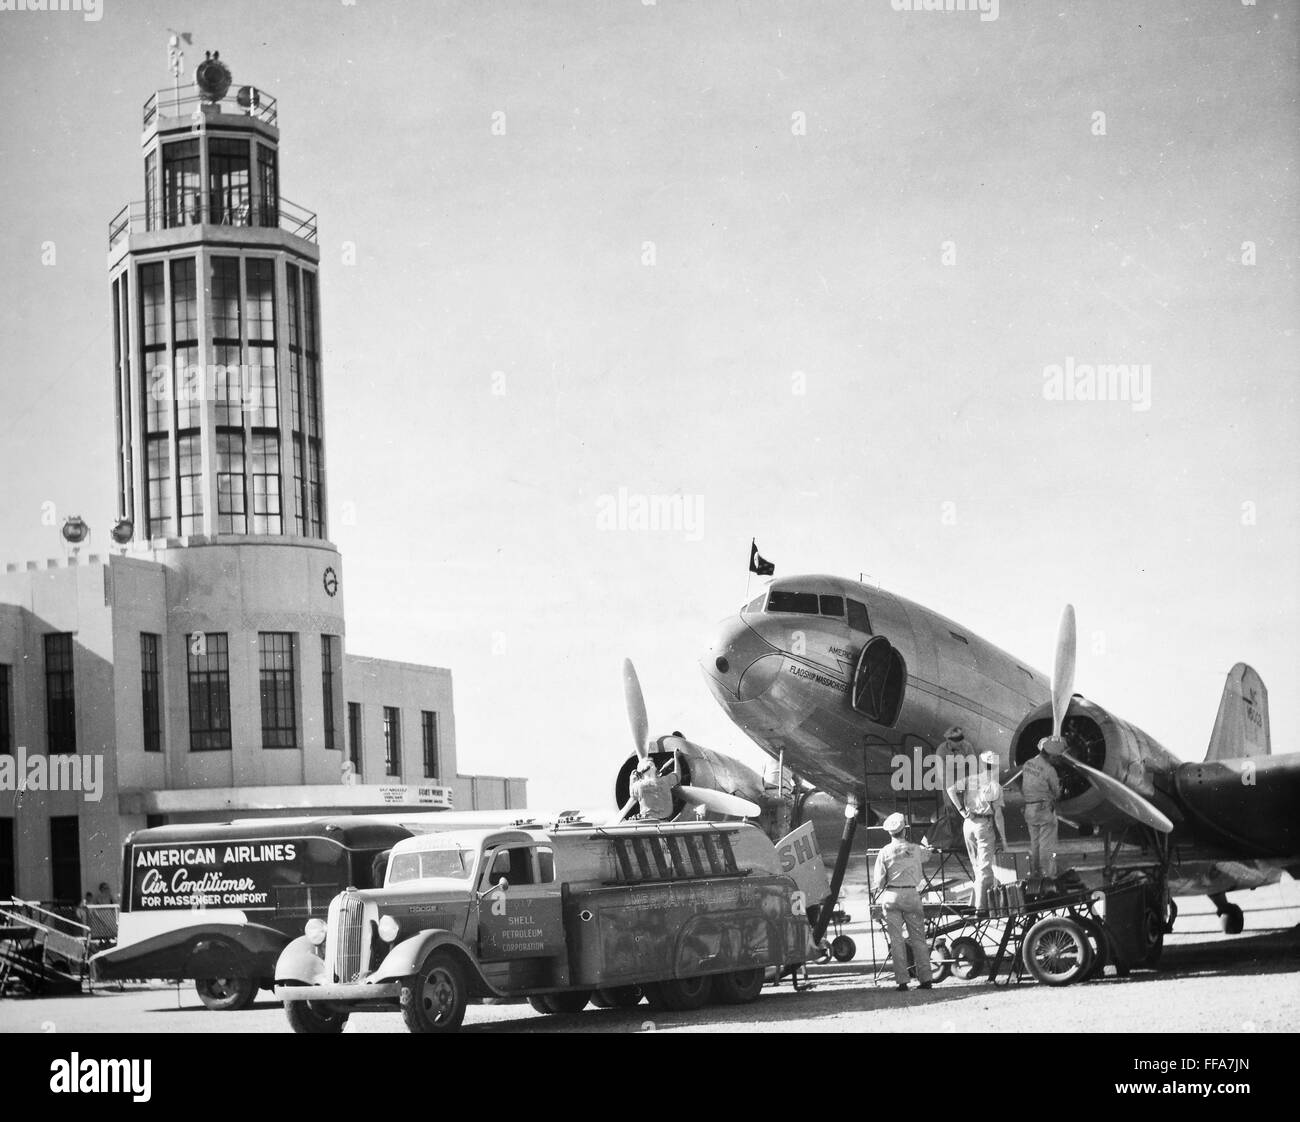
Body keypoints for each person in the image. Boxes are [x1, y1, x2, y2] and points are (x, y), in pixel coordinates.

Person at [873, 813, 934, 991]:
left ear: (890, 833)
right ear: (904, 830)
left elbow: (879, 881)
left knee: (896, 940)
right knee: (919, 940)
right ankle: (926, 979)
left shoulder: (884, 852)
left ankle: (902, 981)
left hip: (892, 895)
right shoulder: (915, 849)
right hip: (912, 894)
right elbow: (927, 855)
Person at [946, 750, 1007, 917]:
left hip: (968, 824)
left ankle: (975, 902)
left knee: (976, 867)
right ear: (995, 766)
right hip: (983, 825)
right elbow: (998, 815)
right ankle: (981, 908)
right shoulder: (995, 786)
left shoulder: (970, 780)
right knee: (985, 868)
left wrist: (961, 810)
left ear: (981, 764)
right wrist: (1004, 839)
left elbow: (950, 789)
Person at [1021, 737, 1062, 877]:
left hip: (1029, 809)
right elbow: (1057, 793)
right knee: (1046, 845)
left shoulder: (1027, 764)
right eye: (1056, 757)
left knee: (1035, 844)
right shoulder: (1050, 770)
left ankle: (1035, 874)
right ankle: (1048, 876)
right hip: (1044, 810)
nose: (1057, 760)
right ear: (1050, 755)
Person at [628, 754, 680, 821]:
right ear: (654, 768)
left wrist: (631, 780)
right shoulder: (665, 780)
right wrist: (676, 757)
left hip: (646, 821)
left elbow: (632, 795)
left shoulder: (637, 785)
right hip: (664, 821)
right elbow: (678, 775)